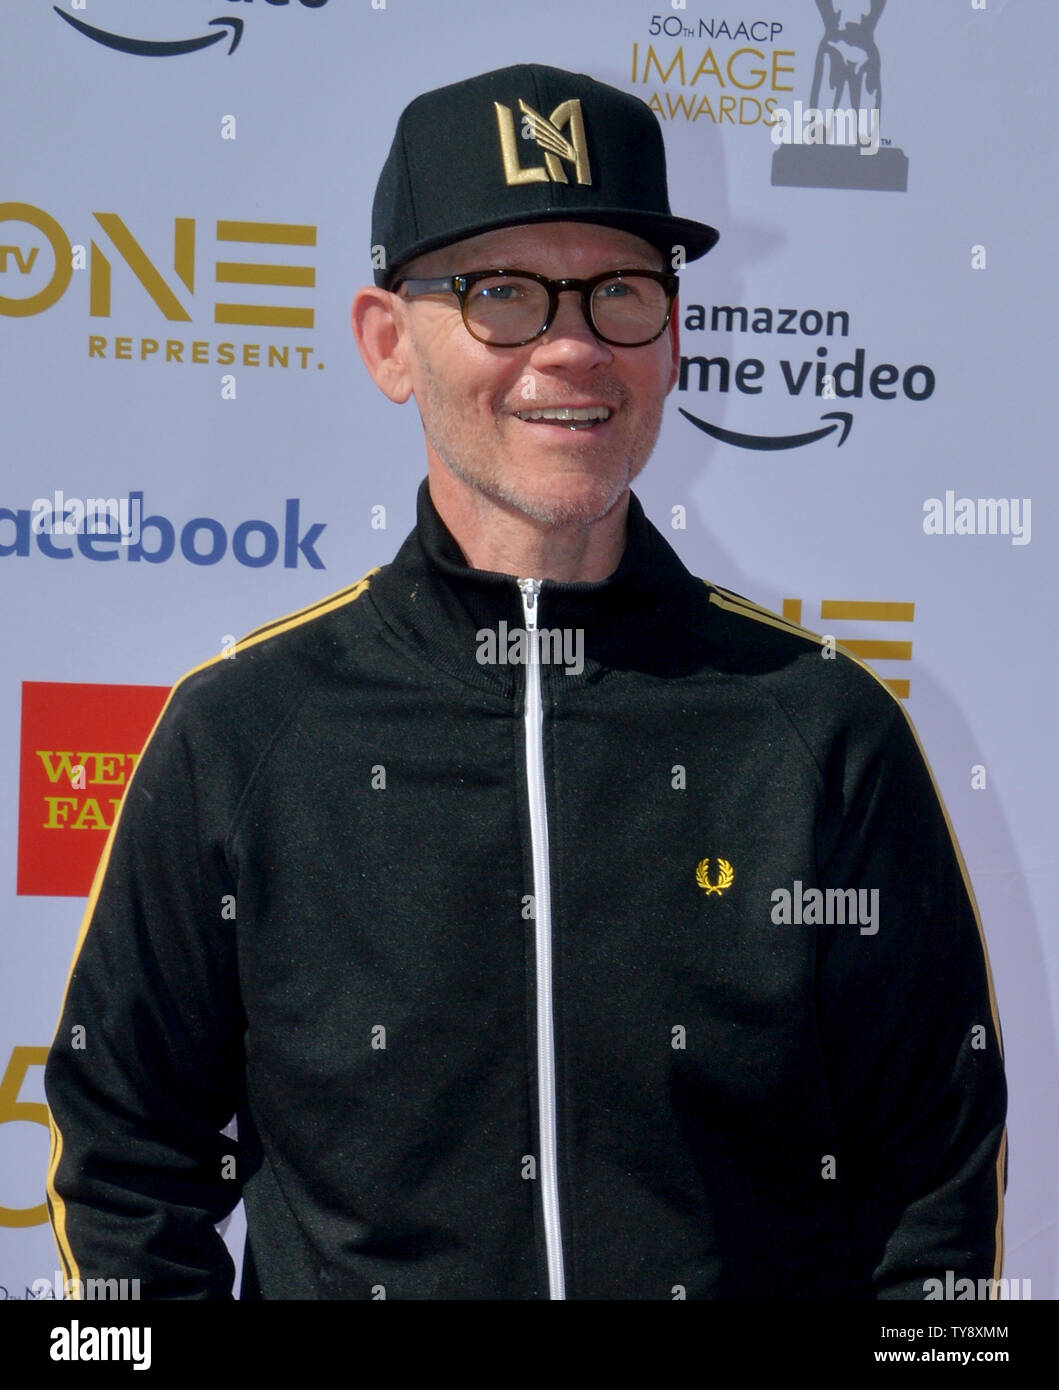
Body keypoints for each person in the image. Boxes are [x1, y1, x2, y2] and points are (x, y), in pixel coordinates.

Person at [45, 62, 1006, 1301]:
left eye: (619, 291)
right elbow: (127, 1167)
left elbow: (928, 1197)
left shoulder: (821, 735)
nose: (570, 347)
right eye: (501, 293)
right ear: (389, 342)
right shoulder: (244, 736)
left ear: (673, 339)